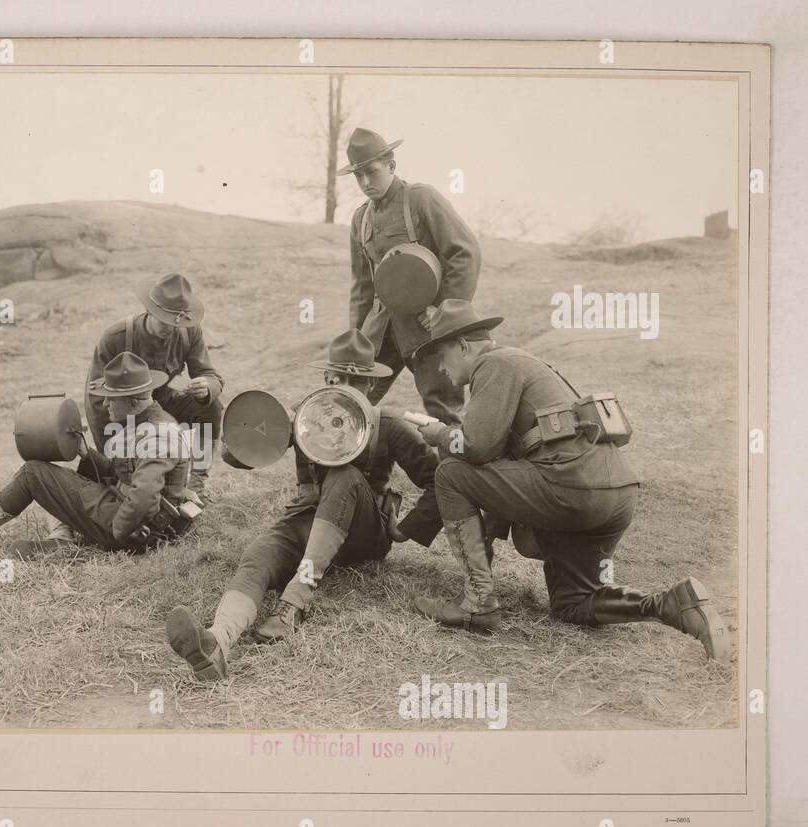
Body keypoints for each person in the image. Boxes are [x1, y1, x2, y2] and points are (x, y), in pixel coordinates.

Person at [405, 299, 732, 662]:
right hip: (615, 496)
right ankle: (674, 604)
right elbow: (505, 470)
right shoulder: (526, 363)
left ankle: (477, 602)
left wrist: (439, 435)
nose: (439, 367)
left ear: (464, 345)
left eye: (441, 353)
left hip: (569, 487)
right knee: (574, 603)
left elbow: (478, 449)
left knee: (450, 473)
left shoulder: (494, 364)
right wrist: (490, 539)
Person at [164, 330, 442, 681]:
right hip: (308, 520)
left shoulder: (388, 426)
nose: (346, 386)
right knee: (257, 556)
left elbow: (438, 481)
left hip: (361, 534)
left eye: (357, 380)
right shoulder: (306, 419)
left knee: (344, 478)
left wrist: (405, 530)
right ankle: (216, 643)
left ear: (371, 387)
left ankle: (294, 602)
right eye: (340, 377)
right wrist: (271, 426)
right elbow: (234, 456)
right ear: (327, 378)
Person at [0, 352, 194, 555]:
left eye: (112, 397)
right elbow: (125, 475)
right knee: (46, 467)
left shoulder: (158, 434)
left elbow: (144, 496)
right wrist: (86, 456)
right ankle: (60, 539)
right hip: (132, 516)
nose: (104, 402)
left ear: (134, 400)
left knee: (34, 473)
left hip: (140, 532)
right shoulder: (145, 422)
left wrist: (118, 534)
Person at [343, 128, 481, 424]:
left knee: (445, 411)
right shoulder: (360, 218)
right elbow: (362, 288)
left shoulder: (422, 199)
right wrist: (356, 340)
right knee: (352, 400)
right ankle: (352, 465)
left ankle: (453, 470)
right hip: (381, 332)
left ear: (391, 166)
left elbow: (465, 252)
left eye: (372, 172)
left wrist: (444, 311)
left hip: (428, 330)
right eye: (359, 176)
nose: (366, 182)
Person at [84, 273, 224, 500]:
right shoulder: (116, 337)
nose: (171, 329)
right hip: (122, 407)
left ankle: (197, 484)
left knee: (210, 407)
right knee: (124, 467)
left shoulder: (189, 332)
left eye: (177, 323)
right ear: (150, 311)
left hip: (159, 399)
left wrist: (207, 386)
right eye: (165, 321)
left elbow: (210, 374)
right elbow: (98, 400)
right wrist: (111, 451)